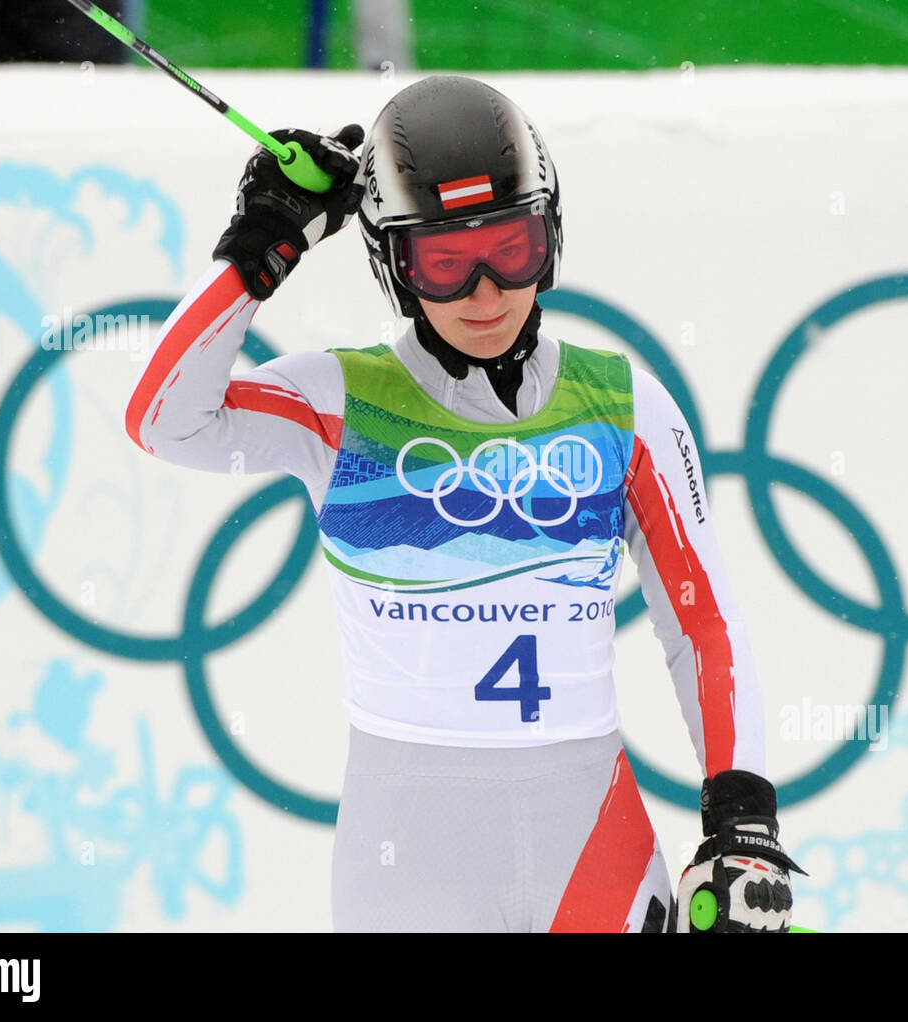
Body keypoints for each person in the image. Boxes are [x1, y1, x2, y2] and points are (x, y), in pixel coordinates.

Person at [125, 74, 803, 932]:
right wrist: (262, 250)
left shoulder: (625, 404)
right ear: (393, 265)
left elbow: (702, 623)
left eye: (510, 249)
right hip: (409, 851)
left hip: (590, 836)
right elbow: (162, 421)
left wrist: (741, 815)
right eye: (444, 263)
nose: (485, 293)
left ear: (548, 236)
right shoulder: (338, 399)